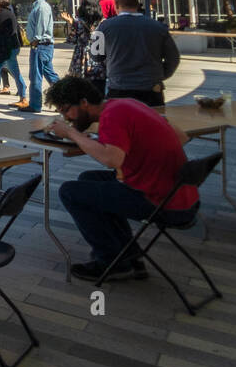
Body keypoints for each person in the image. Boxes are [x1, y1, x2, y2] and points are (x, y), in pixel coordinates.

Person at [45, 75, 198, 281]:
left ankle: (112, 262)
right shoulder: (126, 104)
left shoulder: (112, 116)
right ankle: (127, 255)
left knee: (70, 192)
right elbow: (181, 137)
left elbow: (112, 160)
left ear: (83, 102)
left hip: (162, 202)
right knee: (89, 179)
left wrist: (73, 134)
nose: (66, 118)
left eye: (65, 110)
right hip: (181, 194)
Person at [93, 0, 180, 107]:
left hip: (119, 90)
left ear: (116, 4)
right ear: (137, 4)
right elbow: (174, 58)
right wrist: (160, 75)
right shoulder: (158, 27)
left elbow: (96, 56)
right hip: (151, 90)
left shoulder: (104, 27)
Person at [0, 0, 28, 108]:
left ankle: (23, 98)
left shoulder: (2, 14)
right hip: (8, 47)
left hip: (8, 48)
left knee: (15, 72)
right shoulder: (7, 12)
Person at [63, 0, 106, 86]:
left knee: (81, 88)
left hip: (81, 58)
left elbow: (71, 40)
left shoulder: (79, 24)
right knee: (98, 88)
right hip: (99, 58)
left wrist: (71, 24)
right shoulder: (104, 23)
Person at [25, 0, 60, 112]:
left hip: (41, 45)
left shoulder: (42, 7)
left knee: (36, 76)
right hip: (41, 46)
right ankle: (65, 100)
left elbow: (41, 26)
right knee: (49, 75)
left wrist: (35, 41)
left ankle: (35, 105)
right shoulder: (37, 7)